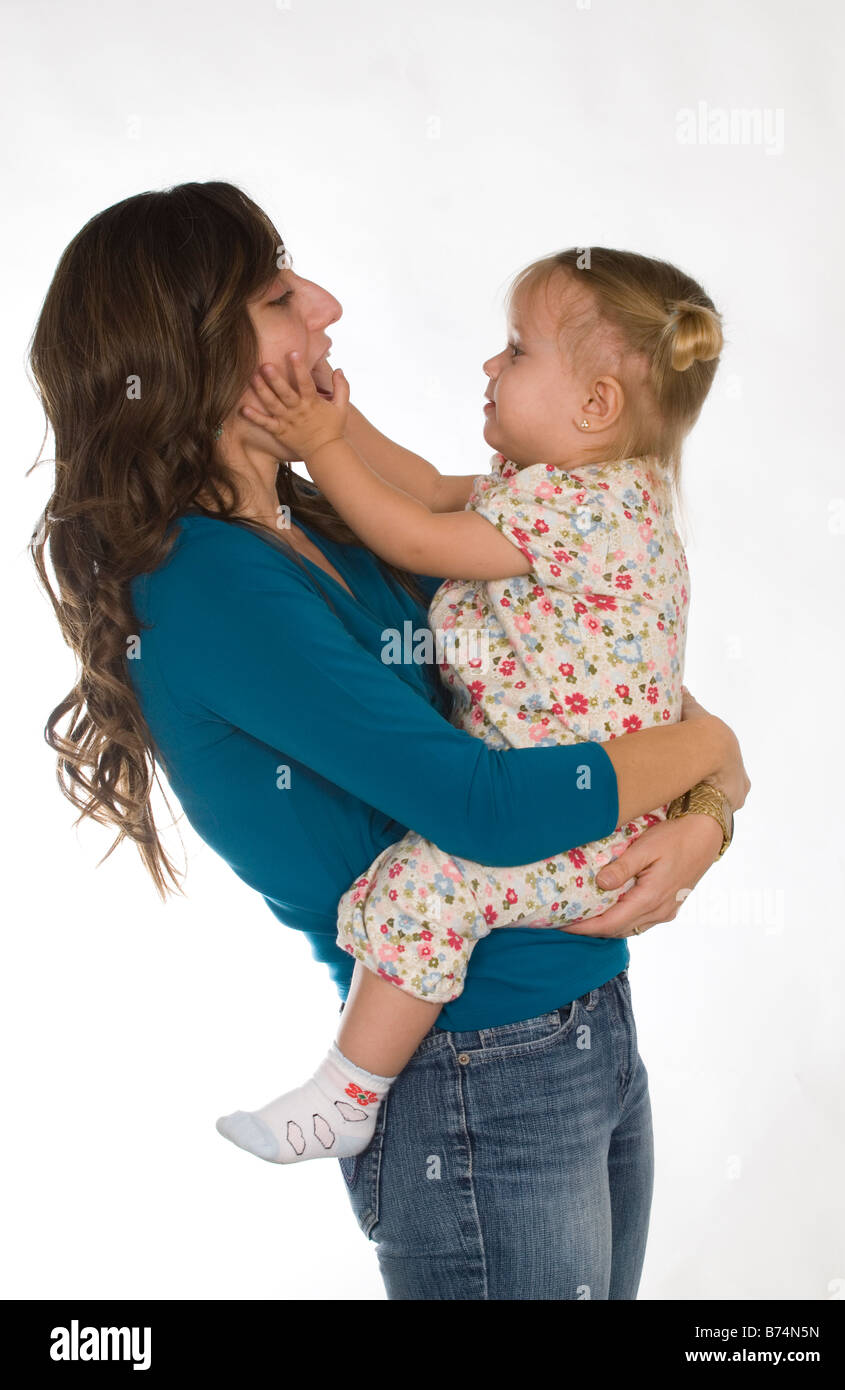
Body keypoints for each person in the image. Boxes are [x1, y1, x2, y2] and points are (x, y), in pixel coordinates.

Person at [30, 182, 749, 1299]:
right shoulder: (212, 586)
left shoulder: (315, 522)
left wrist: (708, 801)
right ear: (192, 354)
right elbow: (489, 807)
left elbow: (605, 679)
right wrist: (712, 759)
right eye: (278, 292)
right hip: (478, 1075)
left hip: (584, 1027)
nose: (325, 304)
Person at [215, 245, 736, 1176]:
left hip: (572, 833)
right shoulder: (586, 492)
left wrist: (324, 446)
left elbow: (410, 530)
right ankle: (354, 1089)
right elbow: (424, 486)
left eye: (516, 350)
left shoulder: (573, 513)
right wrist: (339, 423)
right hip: (598, 826)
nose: (490, 367)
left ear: (595, 406)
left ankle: (349, 1094)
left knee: (427, 888)